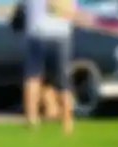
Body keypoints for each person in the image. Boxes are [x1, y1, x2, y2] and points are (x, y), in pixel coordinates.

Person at [22, 0, 78, 134]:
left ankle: (32, 119)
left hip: (37, 31)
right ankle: (67, 122)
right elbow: (71, 11)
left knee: (33, 77)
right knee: (63, 81)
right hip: (60, 33)